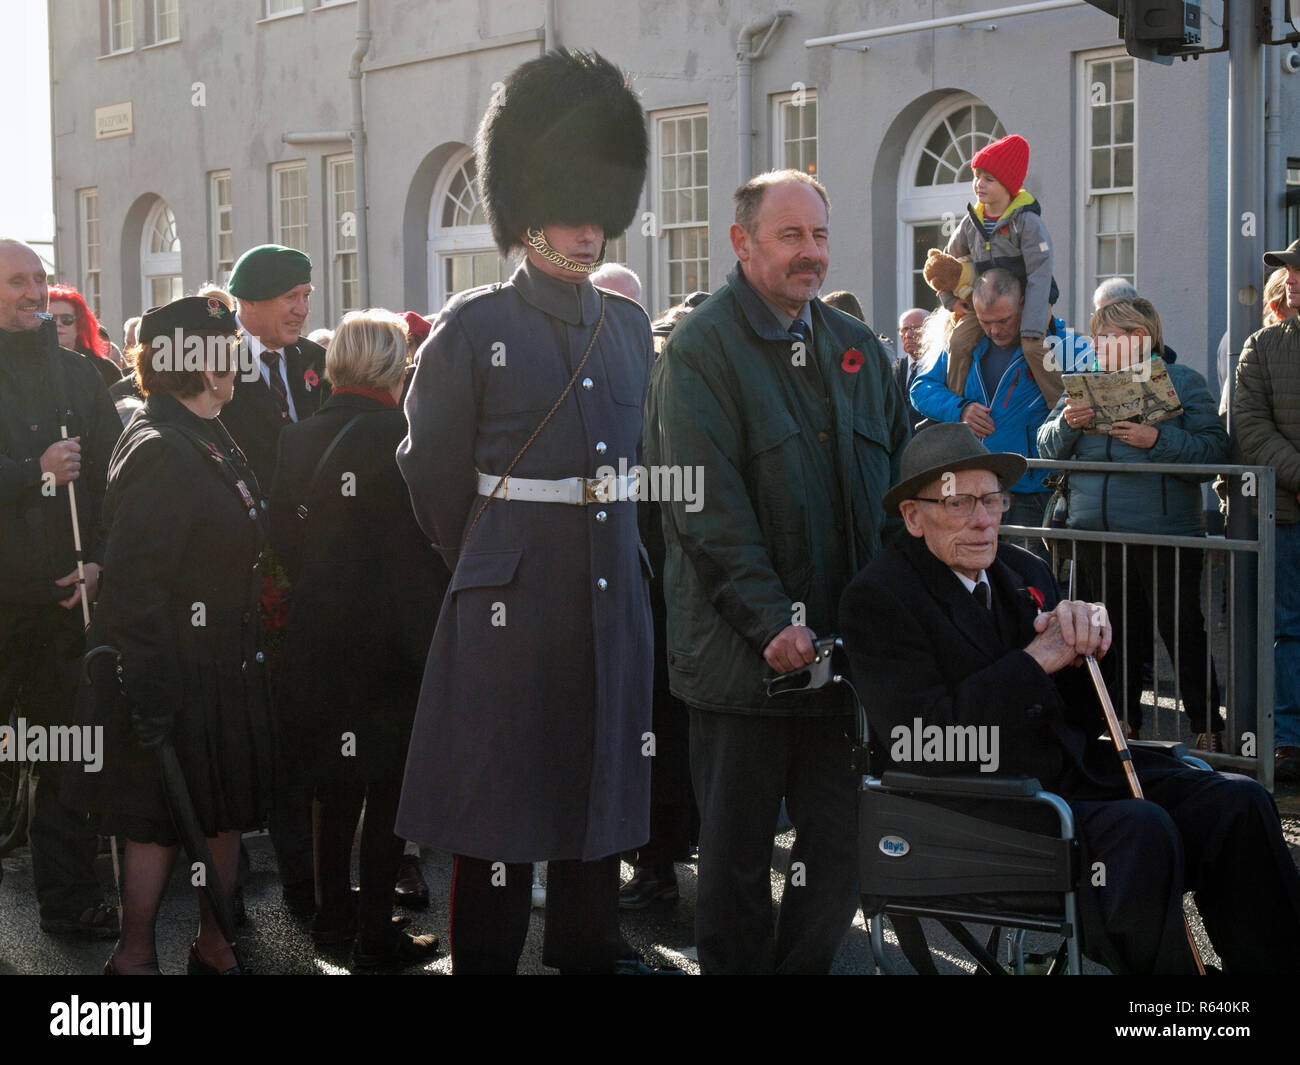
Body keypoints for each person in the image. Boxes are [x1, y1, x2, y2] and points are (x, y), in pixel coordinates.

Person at [839, 422, 1300, 974]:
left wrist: (1092, 646)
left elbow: (1080, 714)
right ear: (913, 517)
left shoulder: (1024, 569)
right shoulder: (880, 597)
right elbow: (923, 741)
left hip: (1066, 774)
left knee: (1238, 802)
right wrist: (1036, 661)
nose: (983, 520)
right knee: (1141, 830)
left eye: (990, 499)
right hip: (974, 811)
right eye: (957, 503)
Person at [395, 48, 655, 975]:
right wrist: (489, 555)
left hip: (606, 596)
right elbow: (430, 475)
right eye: (574, 216)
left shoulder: (627, 327)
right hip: (510, 600)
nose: (590, 235)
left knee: (596, 791)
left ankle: (592, 949)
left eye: (601, 218)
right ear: (528, 210)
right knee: (498, 808)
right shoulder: (473, 327)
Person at [646, 168, 908, 973]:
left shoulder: (857, 347)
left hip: (840, 668)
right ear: (742, 242)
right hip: (742, 672)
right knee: (733, 870)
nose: (810, 254)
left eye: (820, 236)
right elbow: (705, 513)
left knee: (836, 860)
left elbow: (904, 490)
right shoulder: (699, 352)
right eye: (791, 236)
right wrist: (772, 625)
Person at [73, 296, 270, 974]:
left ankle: (214, 947)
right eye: (224, 347)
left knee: (218, 812)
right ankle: (133, 959)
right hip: (175, 669)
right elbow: (134, 586)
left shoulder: (205, 427)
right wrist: (152, 691)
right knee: (157, 819)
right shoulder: (161, 443)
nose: (237, 359)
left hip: (219, 662)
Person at [269, 308, 446, 968]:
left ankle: (332, 918)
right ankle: (376, 930)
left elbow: (283, 538)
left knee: (333, 787)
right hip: (391, 644)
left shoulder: (297, 437)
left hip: (317, 635)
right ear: (393, 363)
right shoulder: (404, 436)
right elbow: (423, 545)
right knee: (388, 790)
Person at [1037, 297, 1228, 747]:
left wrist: (1156, 439)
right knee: (1111, 635)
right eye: (1097, 335)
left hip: (1163, 533)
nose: (1098, 343)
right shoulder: (1082, 384)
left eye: (1108, 335)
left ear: (1140, 337)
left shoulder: (1181, 382)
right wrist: (1066, 423)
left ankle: (1207, 728)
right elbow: (1045, 447)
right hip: (1096, 534)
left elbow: (1214, 447)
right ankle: (1121, 723)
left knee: (1181, 631)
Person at [0, 239, 120, 941]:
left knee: (67, 755)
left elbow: (115, 482)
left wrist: (100, 561)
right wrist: (31, 469)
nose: (32, 290)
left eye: (39, 278)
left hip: (59, 601)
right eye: (16, 280)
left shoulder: (78, 375)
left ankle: (70, 899)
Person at [222, 243, 329, 913]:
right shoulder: (220, 367)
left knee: (306, 733)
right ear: (251, 303)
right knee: (246, 737)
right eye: (290, 295)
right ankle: (229, 890)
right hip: (245, 578)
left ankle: (309, 881)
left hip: (315, 573)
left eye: (306, 294)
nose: (302, 307)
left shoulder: (314, 363)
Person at [910, 268, 1091, 551]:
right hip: (977, 489)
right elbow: (921, 388)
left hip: (1035, 490)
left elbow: (1103, 381)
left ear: (1024, 304)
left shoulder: (1065, 345)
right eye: (985, 321)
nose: (994, 330)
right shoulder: (965, 346)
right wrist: (961, 409)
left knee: (1029, 585)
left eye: (1004, 320)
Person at [1235, 238, 1300, 782]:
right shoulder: (1261, 345)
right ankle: (1289, 741)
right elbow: (1250, 430)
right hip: (1288, 514)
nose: (1292, 279)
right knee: (1287, 628)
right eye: (1289, 272)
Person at [940, 133, 1063, 407]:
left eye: (988, 179)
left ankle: (1061, 408)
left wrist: (1030, 325)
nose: (979, 184)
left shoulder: (1028, 222)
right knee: (959, 343)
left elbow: (1040, 275)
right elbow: (945, 264)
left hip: (1031, 300)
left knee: (1033, 347)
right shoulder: (971, 223)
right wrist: (950, 301)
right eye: (977, 176)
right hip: (985, 306)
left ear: (1007, 185)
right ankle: (953, 410)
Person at [47, 283, 121, 388]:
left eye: (67, 319)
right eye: (51, 318)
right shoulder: (27, 364)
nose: (58, 324)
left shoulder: (104, 369)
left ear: (79, 325)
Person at [893, 307, 927, 432]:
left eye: (915, 329)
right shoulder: (895, 368)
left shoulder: (941, 366)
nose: (908, 335)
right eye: (904, 329)